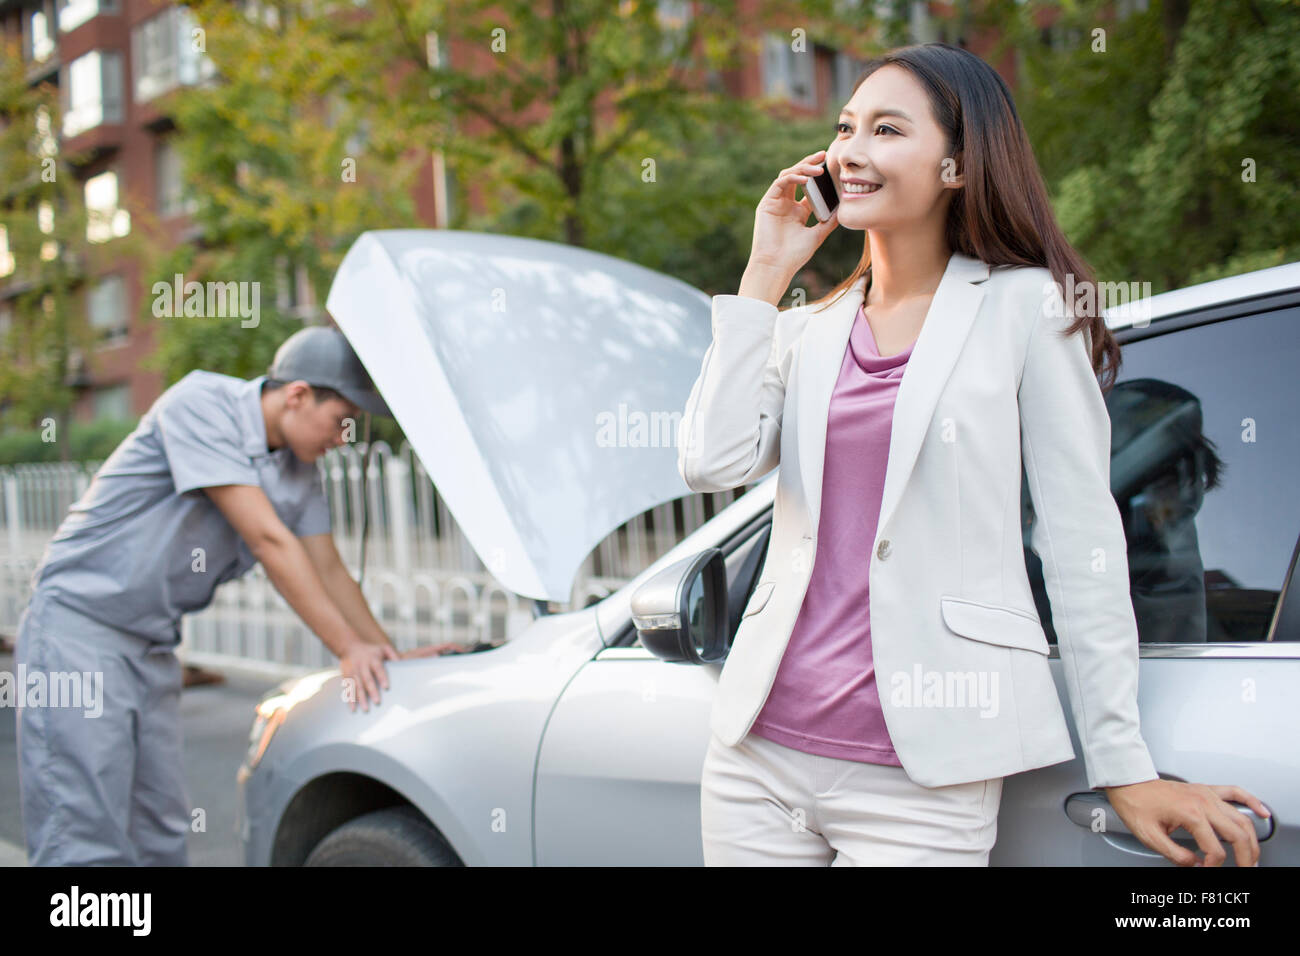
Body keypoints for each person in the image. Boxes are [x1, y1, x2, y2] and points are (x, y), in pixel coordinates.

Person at [678, 42, 1268, 866]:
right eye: (845, 128)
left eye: (887, 130)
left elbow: (1080, 542)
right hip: (758, 759)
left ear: (957, 165)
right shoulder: (806, 331)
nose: (851, 150)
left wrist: (1123, 767)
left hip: (925, 776)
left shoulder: (1026, 308)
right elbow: (712, 463)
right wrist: (765, 274)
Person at [14, 325, 456, 866]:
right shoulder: (202, 405)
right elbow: (270, 540)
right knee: (82, 827)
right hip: (79, 625)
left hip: (152, 641)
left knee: (160, 826)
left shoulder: (299, 471)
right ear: (297, 395)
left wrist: (384, 653)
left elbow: (329, 569)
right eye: (343, 419)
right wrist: (347, 648)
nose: (344, 437)